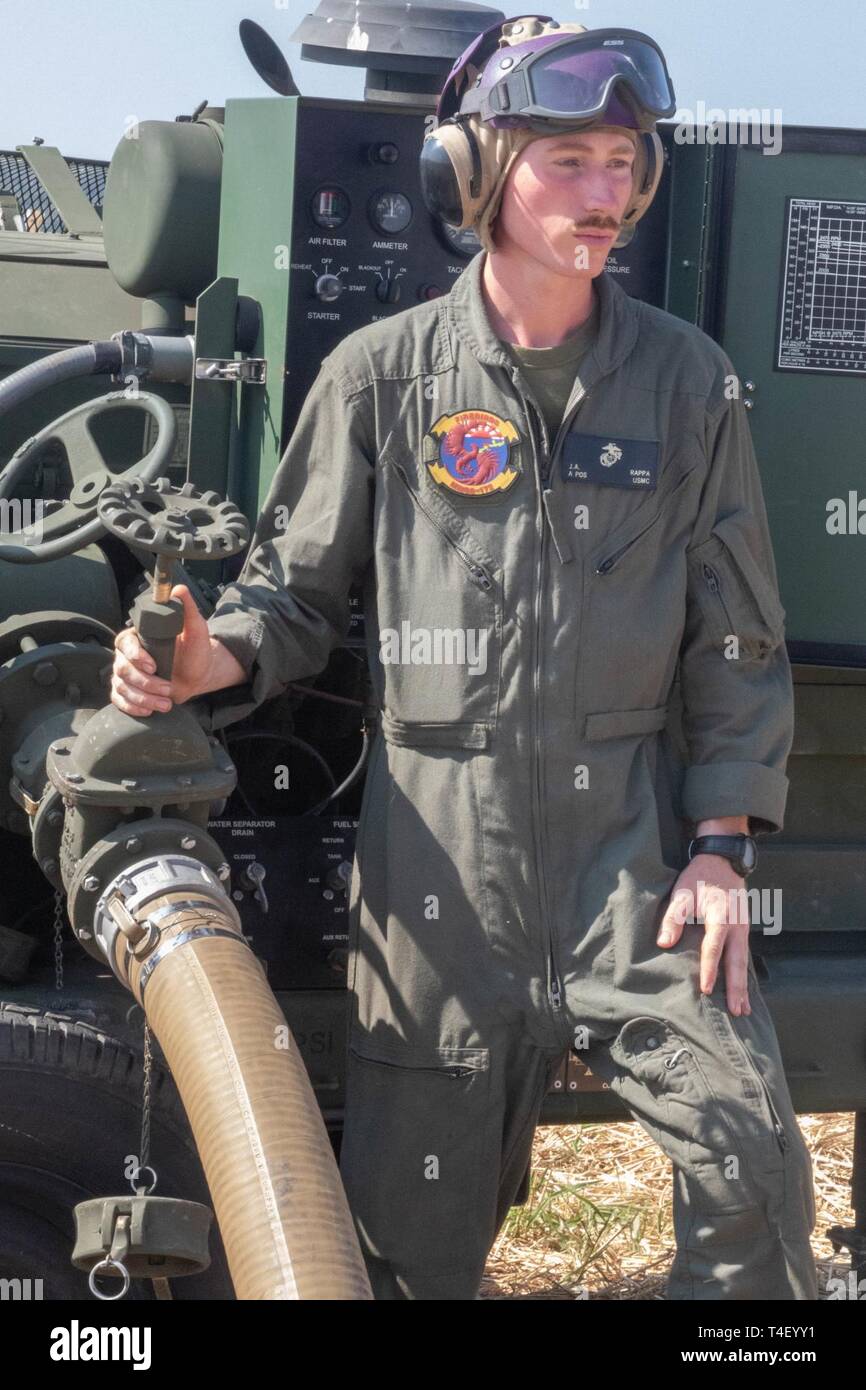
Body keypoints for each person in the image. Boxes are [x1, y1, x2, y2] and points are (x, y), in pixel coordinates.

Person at [110, 16, 819, 1301]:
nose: (604, 196)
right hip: (435, 870)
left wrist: (721, 846)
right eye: (568, 164)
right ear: (475, 175)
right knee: (406, 1243)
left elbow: (733, 630)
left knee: (747, 1171)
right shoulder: (385, 378)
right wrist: (211, 658)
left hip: (633, 862)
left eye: (623, 163)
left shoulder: (687, 383)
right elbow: (294, 600)